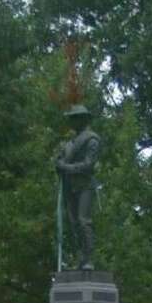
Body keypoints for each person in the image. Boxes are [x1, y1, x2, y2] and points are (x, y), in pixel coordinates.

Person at [55, 104, 100, 270]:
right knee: (73, 223)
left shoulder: (92, 140)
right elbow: (61, 161)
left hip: (84, 185)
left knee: (83, 220)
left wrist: (66, 167)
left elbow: (88, 165)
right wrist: (59, 163)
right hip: (70, 187)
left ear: (83, 119)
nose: (71, 122)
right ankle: (80, 257)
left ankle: (89, 258)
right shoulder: (69, 143)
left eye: (74, 118)